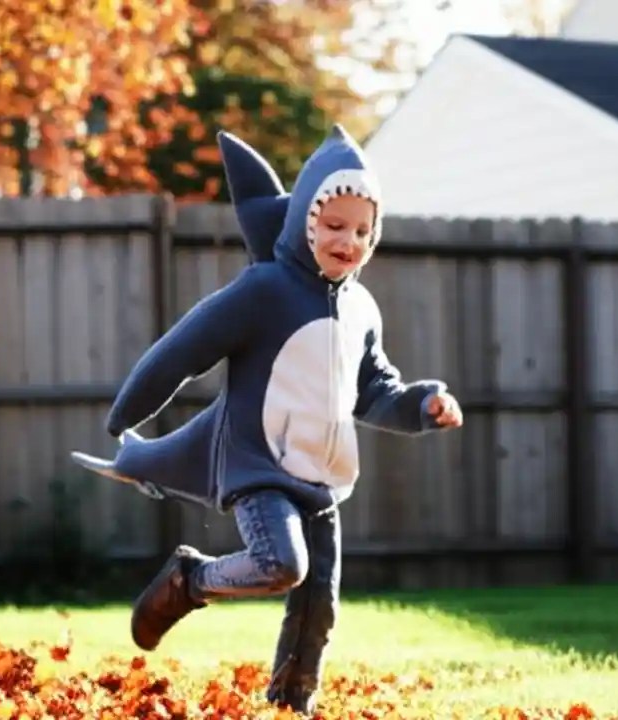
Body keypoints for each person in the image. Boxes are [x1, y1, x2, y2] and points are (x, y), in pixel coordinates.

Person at [70, 124, 462, 714]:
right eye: (334, 225)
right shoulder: (265, 291)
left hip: (322, 481)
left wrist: (424, 405)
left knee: (317, 606)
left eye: (363, 230)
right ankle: (189, 580)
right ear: (304, 220)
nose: (348, 241)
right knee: (282, 564)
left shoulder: (361, 308)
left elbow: (376, 392)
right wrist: (129, 409)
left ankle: (290, 703)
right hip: (258, 467)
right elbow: (182, 351)